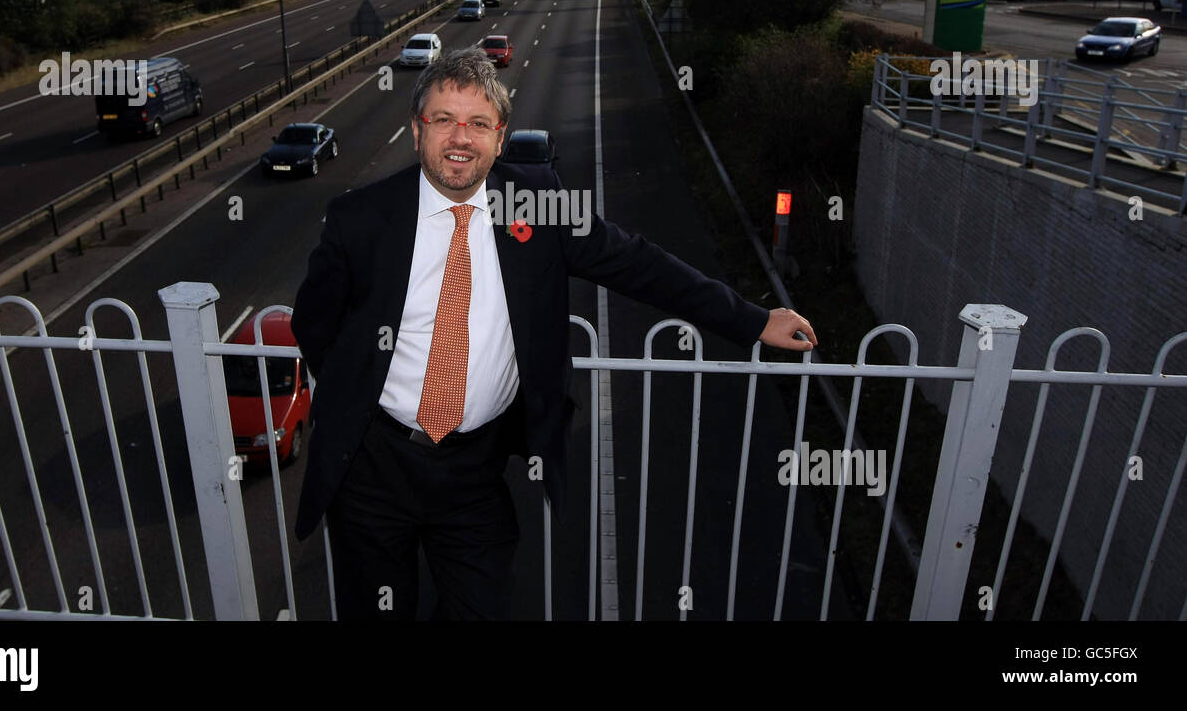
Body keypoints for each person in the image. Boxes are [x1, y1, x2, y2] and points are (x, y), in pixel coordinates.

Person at [291, 47, 816, 620]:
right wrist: (359, 394)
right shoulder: (361, 217)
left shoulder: (538, 205)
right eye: (443, 120)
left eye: (477, 123)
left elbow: (641, 265)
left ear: (500, 136)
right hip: (373, 469)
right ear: (417, 132)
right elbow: (315, 325)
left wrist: (755, 320)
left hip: (473, 472)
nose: (459, 137)